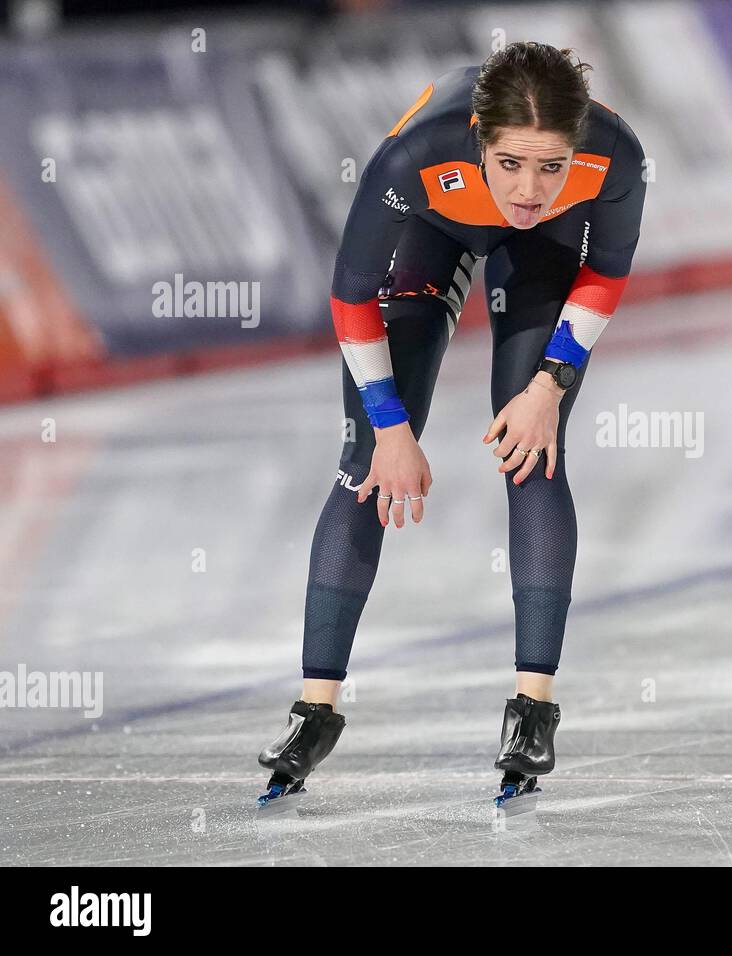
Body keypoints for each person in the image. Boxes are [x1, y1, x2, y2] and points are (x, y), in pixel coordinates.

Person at [256, 42, 647, 811]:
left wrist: (550, 383)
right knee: (364, 460)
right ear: (477, 137)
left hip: (548, 259)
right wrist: (391, 427)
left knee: (535, 452)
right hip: (431, 236)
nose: (530, 190)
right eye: (510, 164)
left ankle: (532, 711)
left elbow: (604, 276)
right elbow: (351, 300)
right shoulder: (414, 158)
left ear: (578, 147)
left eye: (550, 167)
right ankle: (315, 711)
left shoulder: (616, 157)